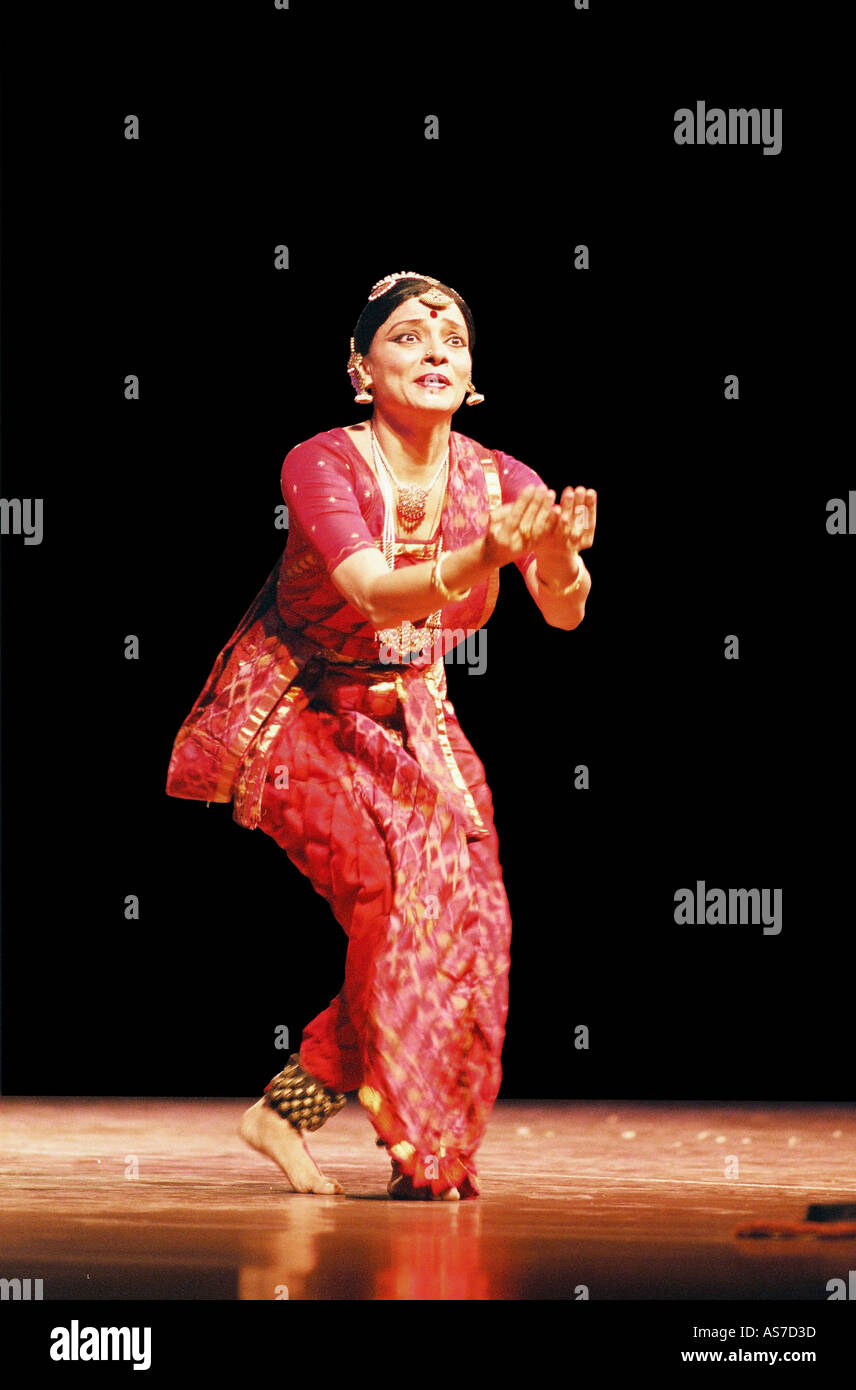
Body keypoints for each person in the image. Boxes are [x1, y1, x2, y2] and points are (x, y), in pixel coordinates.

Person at [166, 271, 597, 1199]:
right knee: (390, 894)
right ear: (360, 368)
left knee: (467, 917)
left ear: (473, 375)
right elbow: (368, 589)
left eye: (453, 336)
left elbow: (565, 614)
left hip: (413, 714)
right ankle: (408, 1135)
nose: (436, 347)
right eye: (407, 335)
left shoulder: (501, 477)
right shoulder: (321, 461)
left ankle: (292, 1112)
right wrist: (482, 556)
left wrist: (557, 555)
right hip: (299, 706)